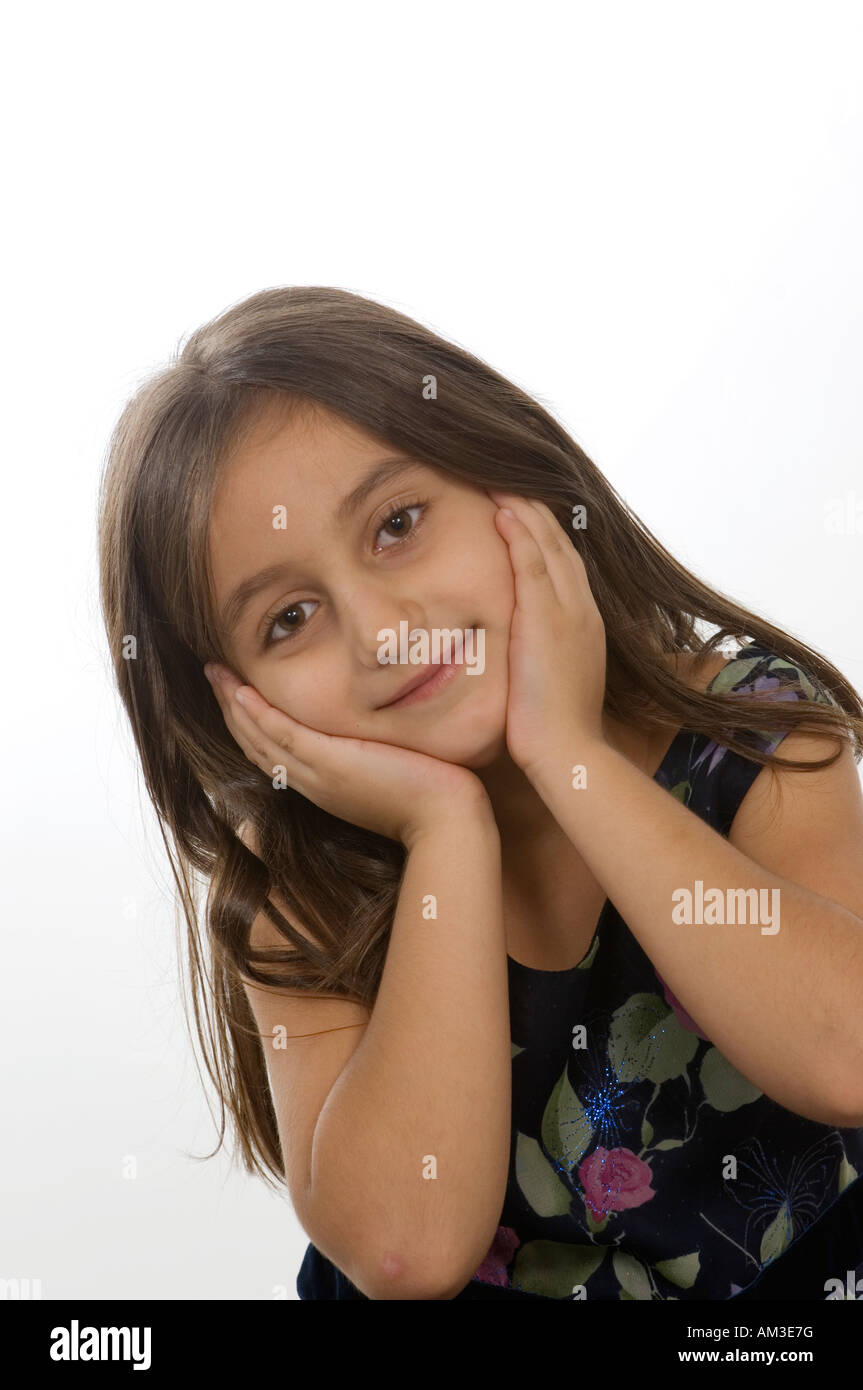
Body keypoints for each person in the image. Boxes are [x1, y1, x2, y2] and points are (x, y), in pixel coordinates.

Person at [97, 285, 863, 1300]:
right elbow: (405, 1249)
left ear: (511, 474)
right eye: (288, 619)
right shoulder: (298, 895)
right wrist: (444, 829)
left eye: (397, 523)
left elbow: (844, 1050)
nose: (381, 629)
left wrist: (566, 754)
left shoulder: (747, 732)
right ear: (230, 705)